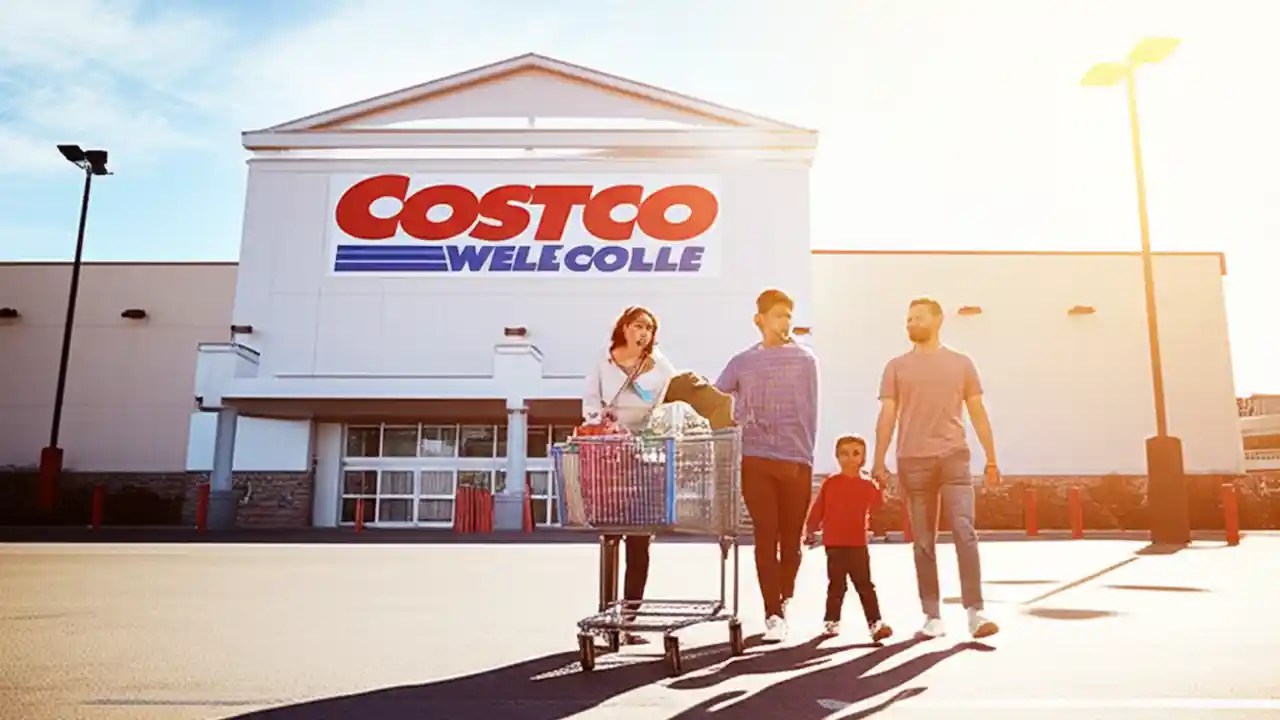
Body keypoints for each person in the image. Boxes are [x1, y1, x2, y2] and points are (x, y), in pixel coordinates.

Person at [871, 297, 1000, 640]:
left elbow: (977, 411)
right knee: (923, 541)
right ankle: (932, 616)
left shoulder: (961, 364)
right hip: (912, 461)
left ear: (938, 320)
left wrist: (991, 457)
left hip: (953, 456)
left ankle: (976, 612)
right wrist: (878, 459)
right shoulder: (895, 367)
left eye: (918, 318)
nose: (911, 323)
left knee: (964, 531)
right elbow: (887, 416)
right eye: (908, 318)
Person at [716, 288, 818, 643]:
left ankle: (783, 595)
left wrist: (805, 454)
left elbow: (811, 410)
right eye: (777, 315)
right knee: (765, 534)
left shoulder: (806, 359)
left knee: (791, 543)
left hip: (796, 459)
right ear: (759, 320)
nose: (784, 322)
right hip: (755, 458)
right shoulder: (742, 362)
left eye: (788, 315)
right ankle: (772, 612)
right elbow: (718, 397)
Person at [582, 305, 676, 645]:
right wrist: (601, 421)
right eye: (638, 325)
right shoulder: (603, 362)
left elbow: (666, 406)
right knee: (611, 538)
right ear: (623, 327)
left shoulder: (660, 367)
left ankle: (629, 619)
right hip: (608, 458)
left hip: (643, 458)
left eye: (649, 328)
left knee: (639, 543)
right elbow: (589, 402)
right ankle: (609, 617)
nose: (643, 333)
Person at [804, 434, 893, 641]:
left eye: (856, 453)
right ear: (836, 456)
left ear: (863, 458)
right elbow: (819, 508)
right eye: (844, 453)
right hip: (834, 543)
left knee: (865, 584)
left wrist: (882, 485)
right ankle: (831, 621)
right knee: (837, 584)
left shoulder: (867, 484)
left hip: (857, 543)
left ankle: (875, 623)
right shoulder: (831, 482)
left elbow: (879, 504)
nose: (850, 458)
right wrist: (810, 528)